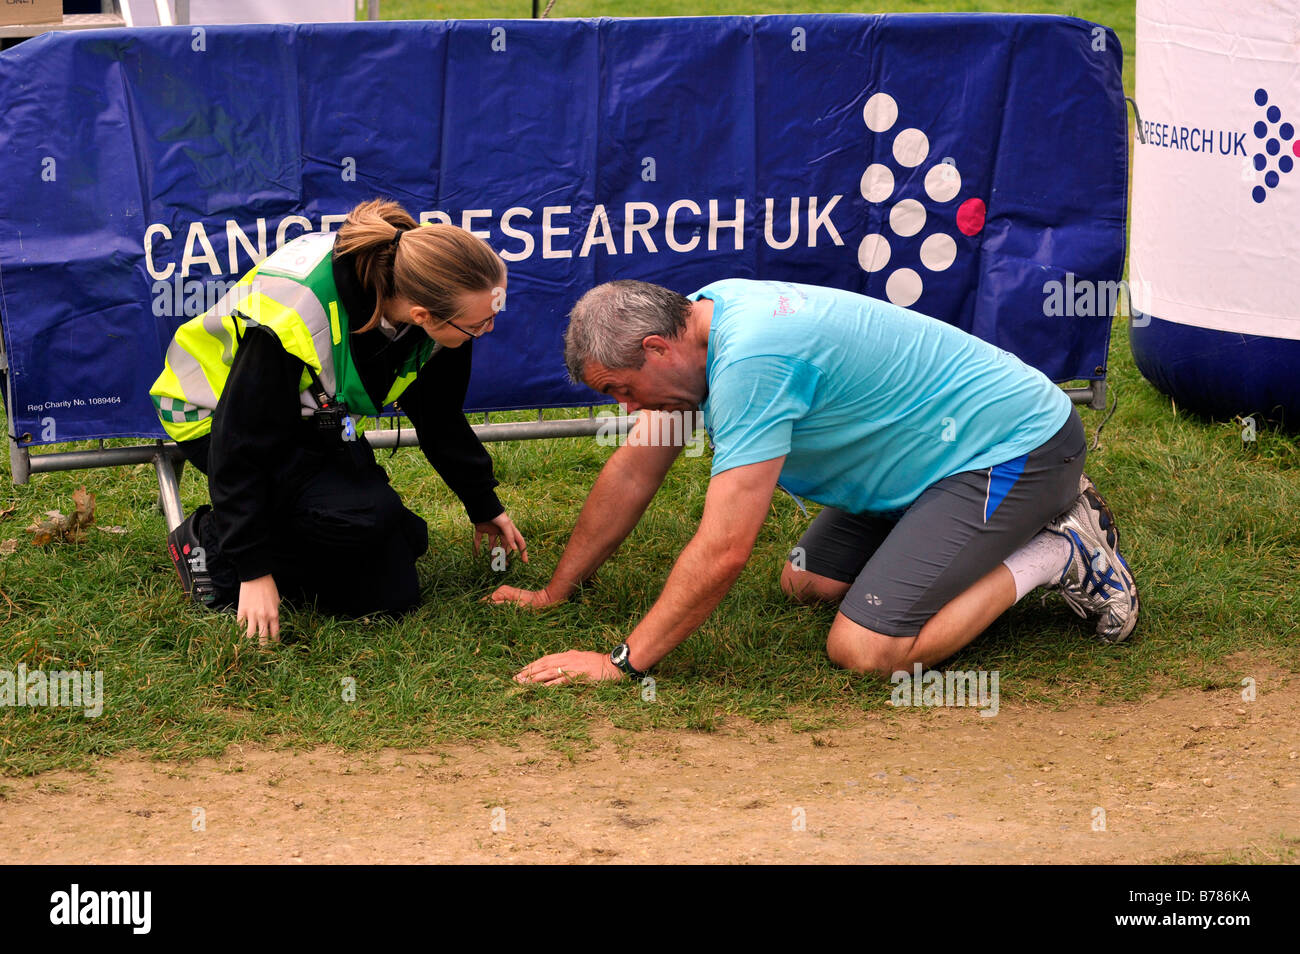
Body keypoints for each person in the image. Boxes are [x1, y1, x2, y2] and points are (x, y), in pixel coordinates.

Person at [494, 278, 1137, 686]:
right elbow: (633, 471)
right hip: (931, 463)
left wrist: (621, 662)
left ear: (658, 348)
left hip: (1017, 448)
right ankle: (1016, 528)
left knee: (865, 648)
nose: (629, 410)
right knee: (807, 579)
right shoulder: (703, 321)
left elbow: (724, 549)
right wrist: (557, 592)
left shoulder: (751, 362)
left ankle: (1058, 551)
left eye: (623, 391)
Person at [150, 199, 528, 644]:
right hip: (213, 417)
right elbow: (240, 444)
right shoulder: (293, 317)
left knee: (400, 565)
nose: (488, 330)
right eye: (480, 324)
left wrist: (483, 505)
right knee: (362, 520)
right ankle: (212, 549)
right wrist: (253, 568)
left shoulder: (434, 306)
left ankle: (291, 535)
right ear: (424, 315)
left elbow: (438, 415)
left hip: (310, 417)